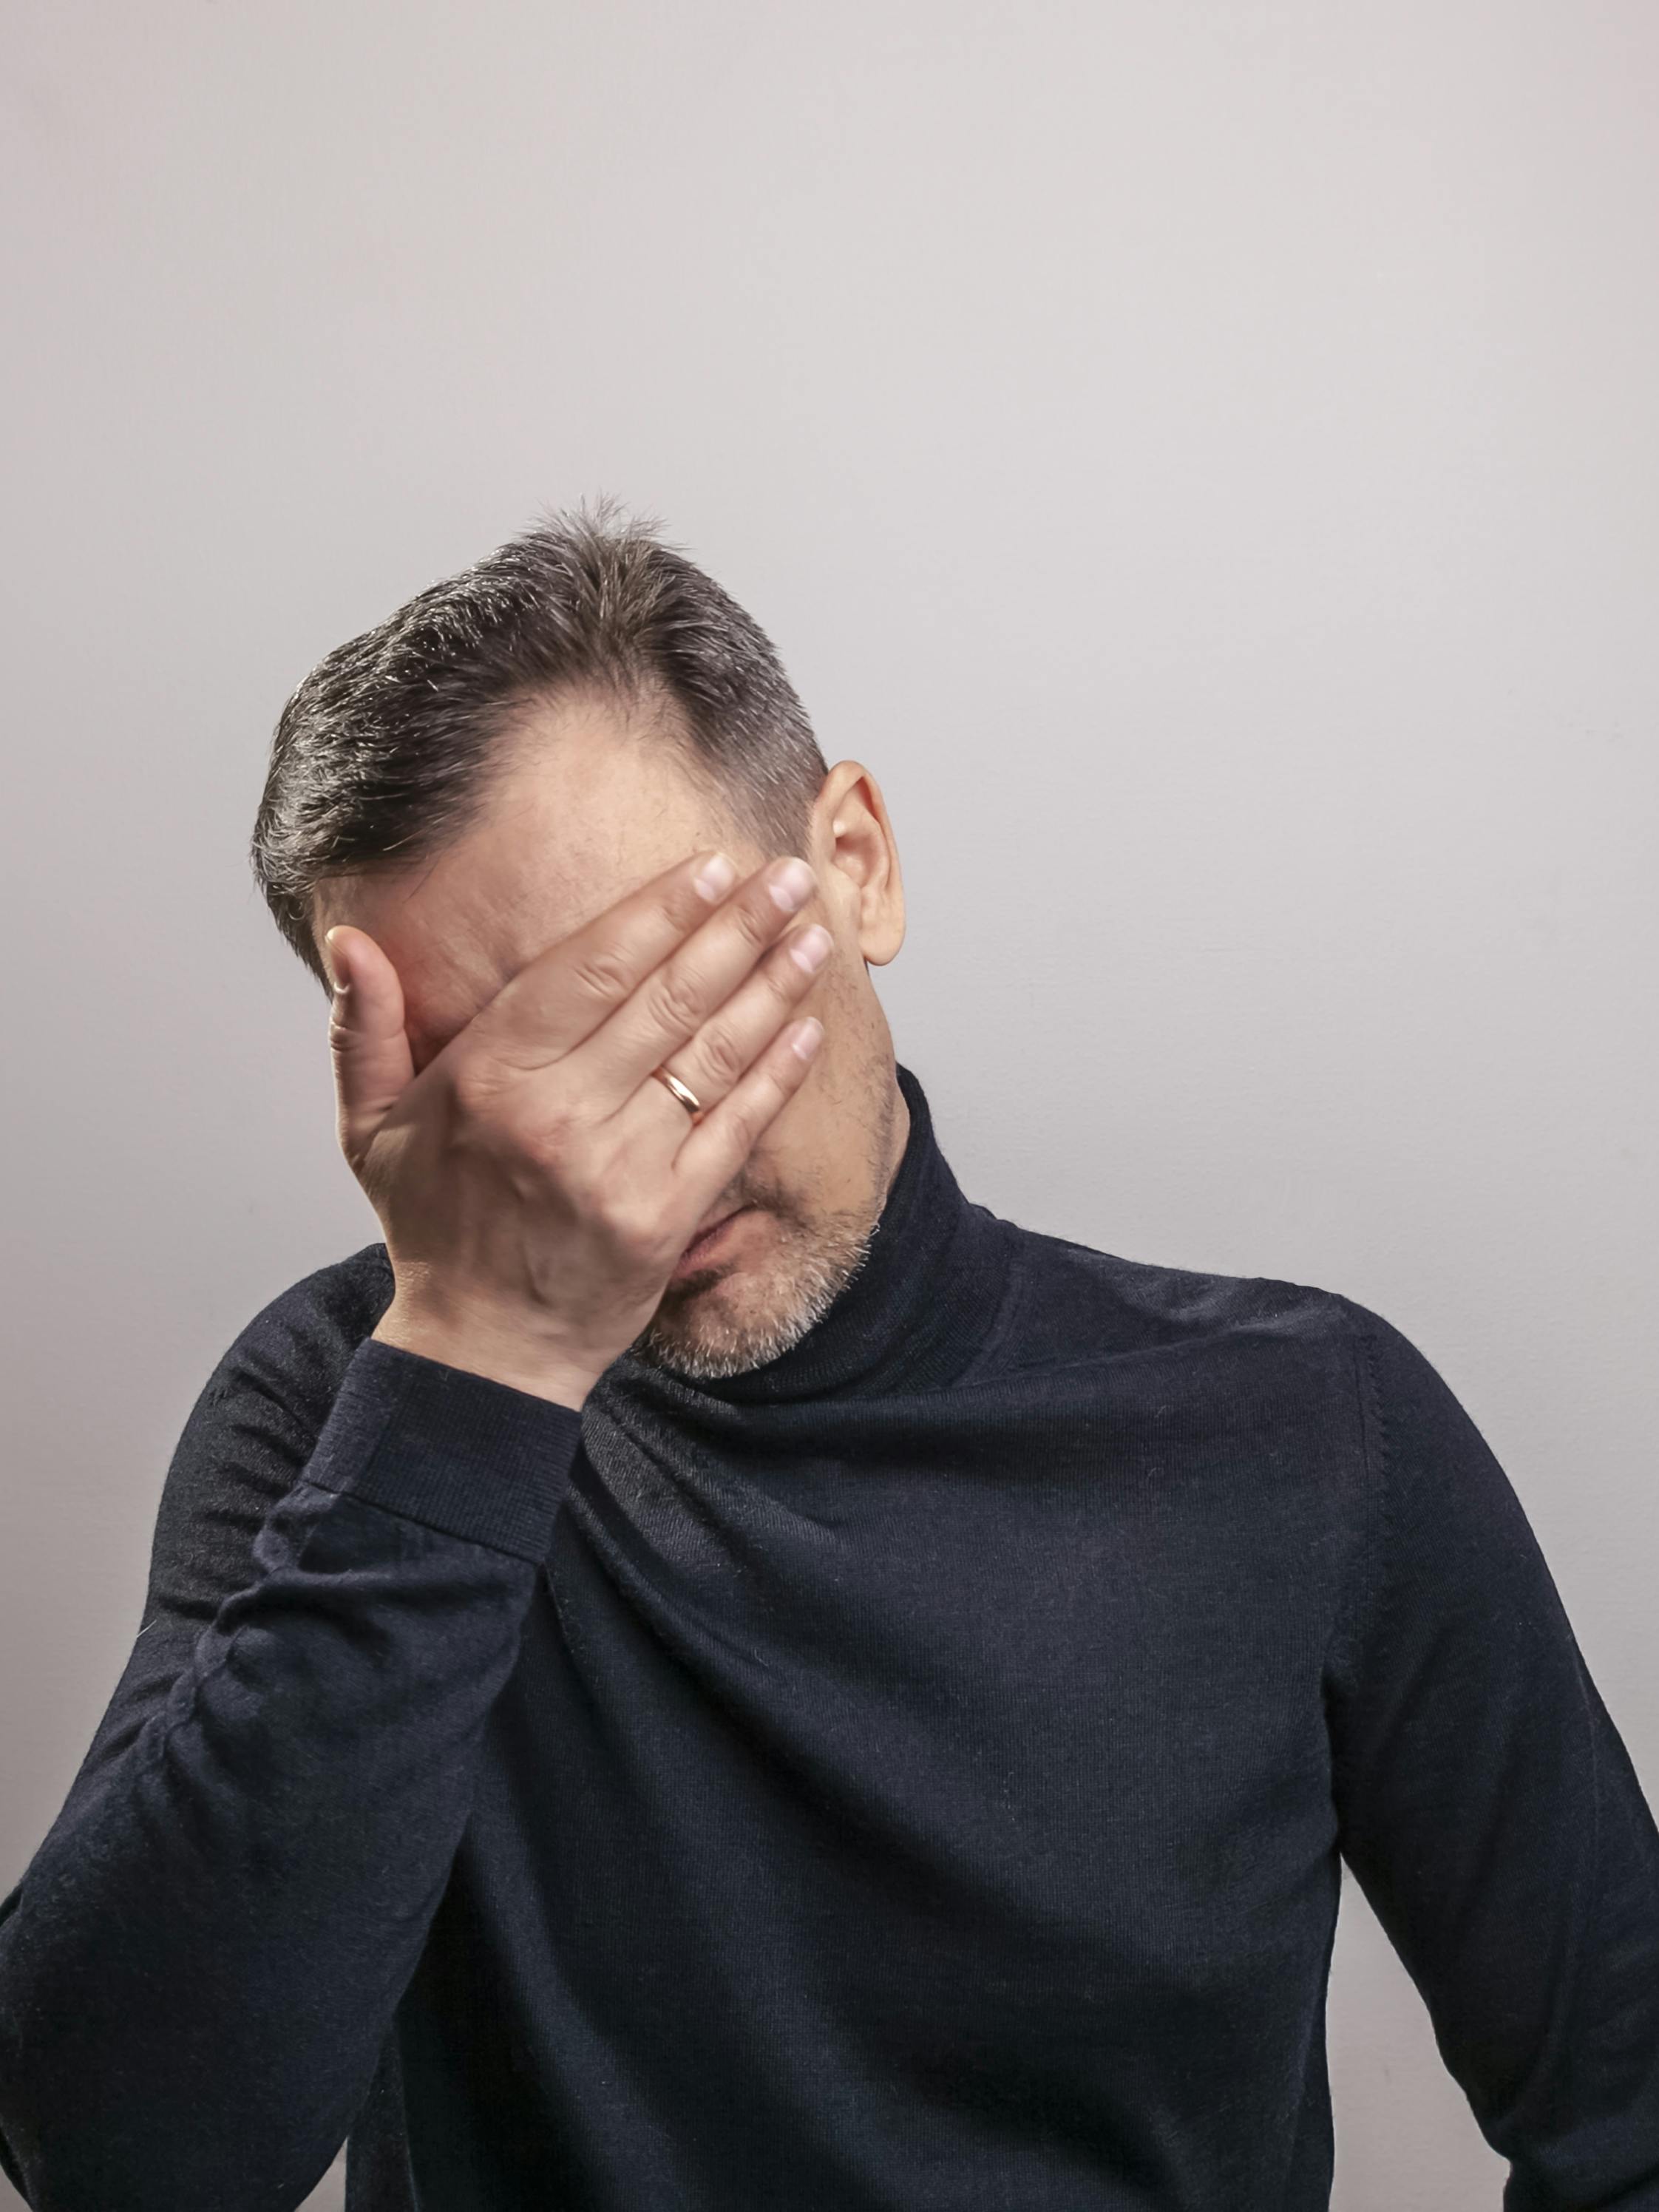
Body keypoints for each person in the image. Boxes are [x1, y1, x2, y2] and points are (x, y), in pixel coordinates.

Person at [1, 503, 1655, 2212]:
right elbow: (129, 2163)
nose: (625, 1152)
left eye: (664, 997)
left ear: (853, 860)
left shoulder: (1312, 1427)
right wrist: (472, 1367)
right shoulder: (352, 1404)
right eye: (497, 1090)